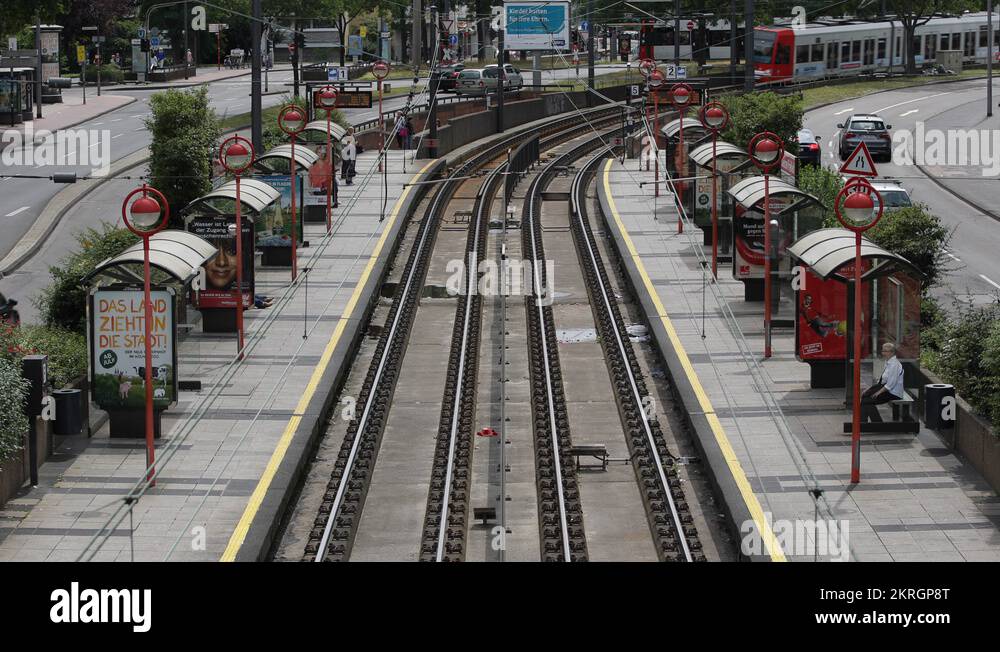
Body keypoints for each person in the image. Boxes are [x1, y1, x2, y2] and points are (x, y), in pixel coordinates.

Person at [861, 342, 905, 423]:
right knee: (864, 396)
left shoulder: (894, 364)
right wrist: (869, 389)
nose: (884, 353)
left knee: (867, 400)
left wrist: (878, 393)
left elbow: (891, 384)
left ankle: (874, 423)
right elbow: (882, 381)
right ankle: (865, 422)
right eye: (883, 351)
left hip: (893, 393)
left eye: (886, 351)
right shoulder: (888, 362)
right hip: (885, 388)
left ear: (892, 352)